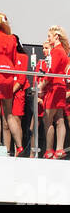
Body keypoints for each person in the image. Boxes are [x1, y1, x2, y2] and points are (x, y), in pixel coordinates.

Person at [0, 13, 23, 154]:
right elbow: (14, 59)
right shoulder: (12, 39)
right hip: (9, 77)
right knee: (9, 114)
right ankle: (19, 146)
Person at [42, 26, 69, 158]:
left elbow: (51, 71)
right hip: (61, 86)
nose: (48, 39)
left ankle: (49, 150)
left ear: (56, 37)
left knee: (48, 119)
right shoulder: (63, 51)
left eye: (49, 36)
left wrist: (42, 85)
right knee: (59, 118)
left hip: (54, 87)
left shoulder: (56, 51)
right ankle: (59, 149)